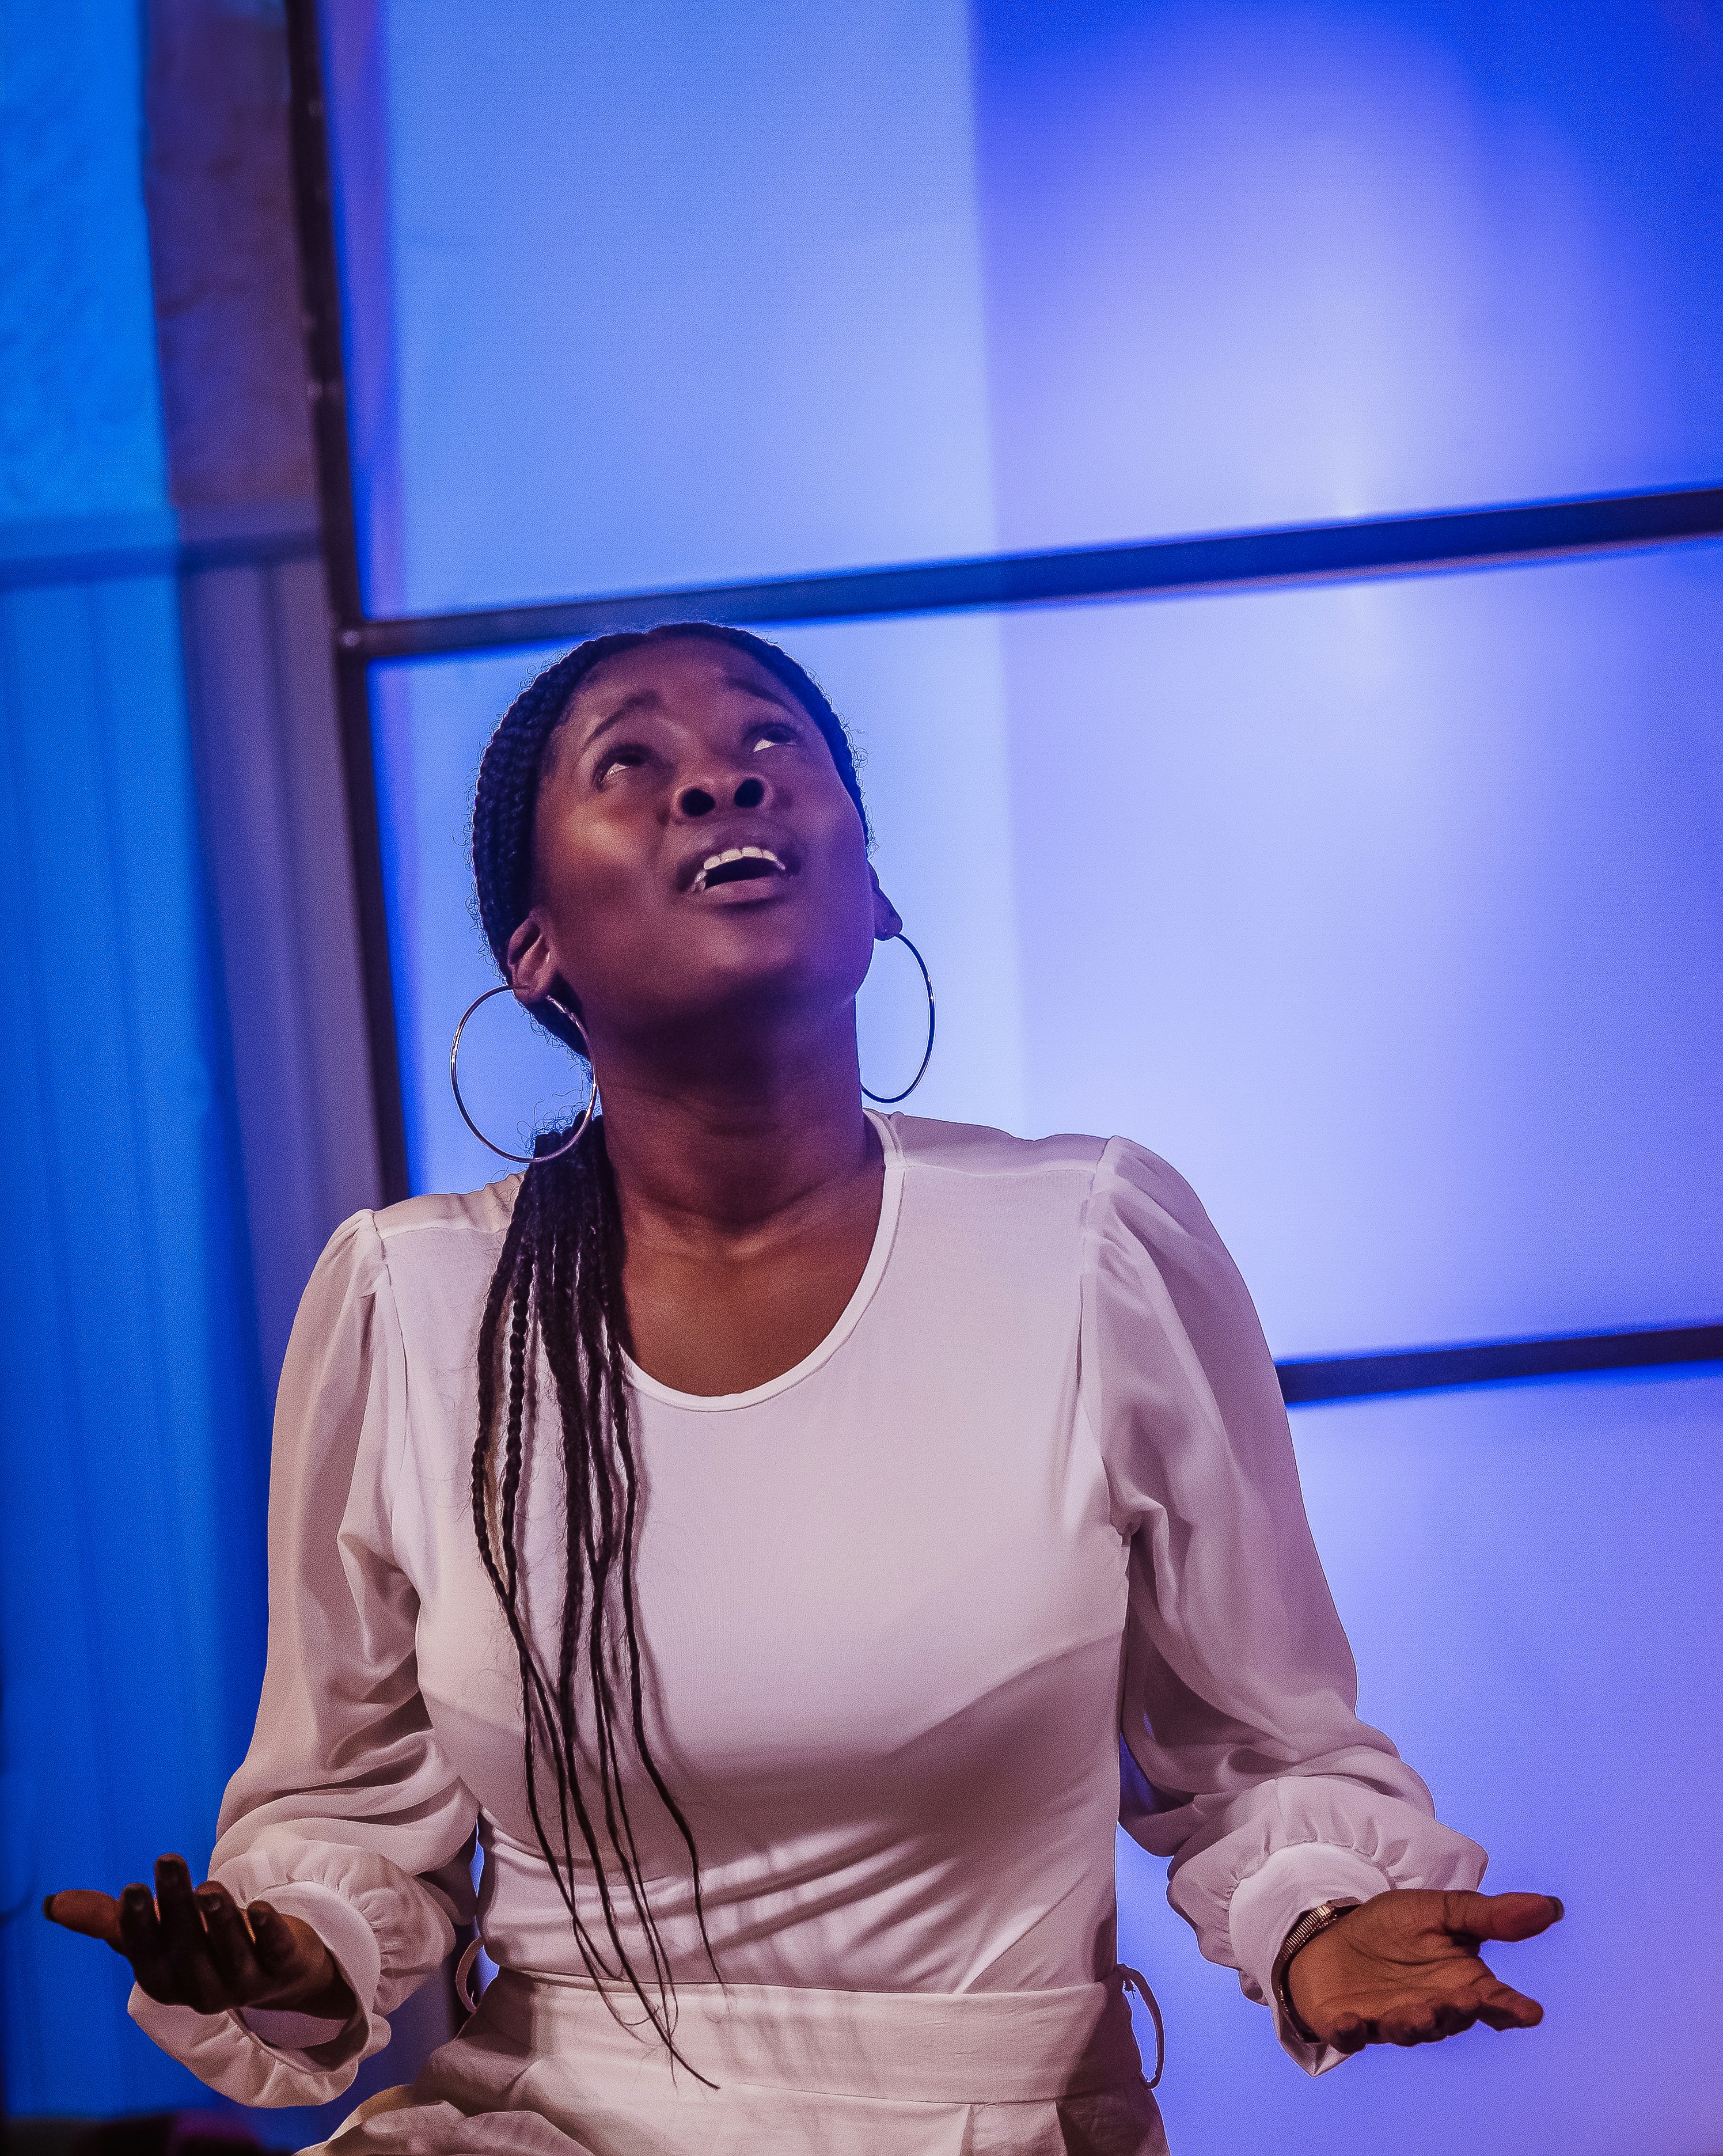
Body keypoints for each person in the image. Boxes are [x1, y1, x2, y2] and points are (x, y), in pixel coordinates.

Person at [47, 624, 1561, 2155]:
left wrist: (1322, 1920)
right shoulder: (411, 1302)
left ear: (878, 886)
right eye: (632, 762)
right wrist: (290, 1944)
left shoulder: (1091, 1241)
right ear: (533, 950)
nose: (717, 780)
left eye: (773, 745)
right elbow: (351, 1808)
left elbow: (1262, 1749)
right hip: (547, 2123)